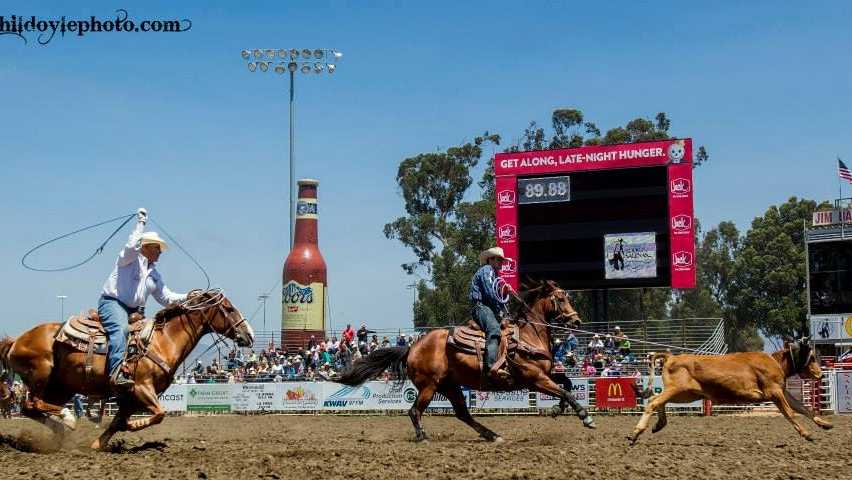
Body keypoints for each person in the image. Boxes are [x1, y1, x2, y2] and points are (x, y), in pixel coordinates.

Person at [99, 207, 187, 390]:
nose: (160, 252)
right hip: (113, 303)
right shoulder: (128, 259)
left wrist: (190, 296)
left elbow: (167, 298)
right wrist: (140, 224)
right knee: (121, 329)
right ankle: (116, 372)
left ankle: (139, 374)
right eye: (157, 248)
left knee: (150, 337)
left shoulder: (154, 274)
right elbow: (131, 246)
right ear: (145, 246)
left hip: (135, 312)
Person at [469, 246, 511, 384]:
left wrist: (504, 292)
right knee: (494, 329)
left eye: (502, 261)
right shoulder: (486, 271)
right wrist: (500, 307)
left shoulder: (495, 274)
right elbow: (490, 293)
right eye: (499, 260)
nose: (501, 263)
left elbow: (497, 294)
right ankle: (491, 366)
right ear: (491, 259)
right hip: (481, 307)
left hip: (489, 307)